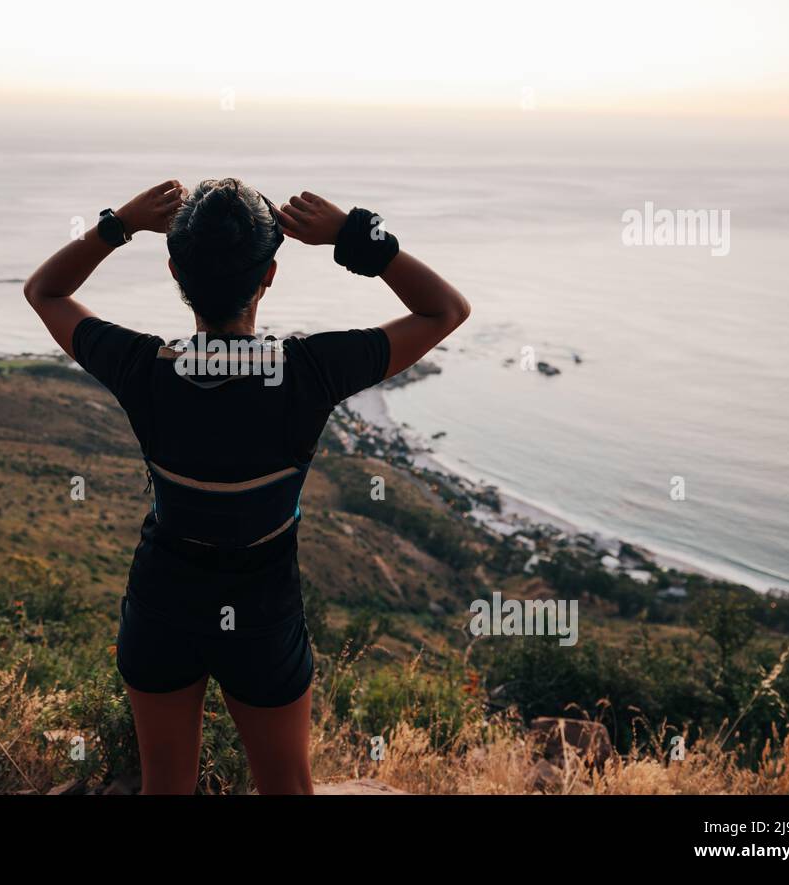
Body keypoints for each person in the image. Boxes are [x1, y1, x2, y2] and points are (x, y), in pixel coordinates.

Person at [24, 178, 470, 793]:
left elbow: (44, 291)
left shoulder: (142, 367)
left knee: (165, 788)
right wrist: (353, 236)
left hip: (162, 600)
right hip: (262, 609)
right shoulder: (308, 373)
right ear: (270, 277)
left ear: (175, 270)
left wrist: (120, 223)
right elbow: (446, 310)